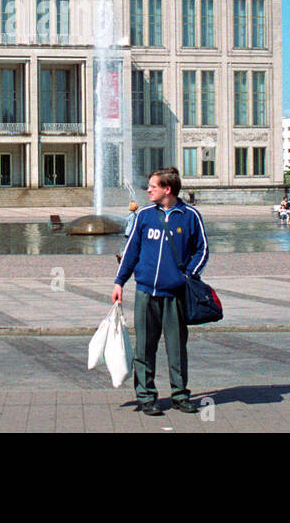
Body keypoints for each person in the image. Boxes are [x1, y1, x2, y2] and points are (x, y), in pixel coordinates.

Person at [112, 167, 209, 416]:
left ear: (167, 189)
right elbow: (131, 251)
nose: (148, 190)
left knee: (176, 347)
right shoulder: (144, 216)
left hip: (175, 295)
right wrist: (119, 282)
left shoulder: (189, 216)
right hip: (145, 292)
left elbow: (202, 249)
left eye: (152, 186)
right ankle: (146, 396)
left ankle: (179, 395)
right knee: (144, 348)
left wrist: (187, 274)